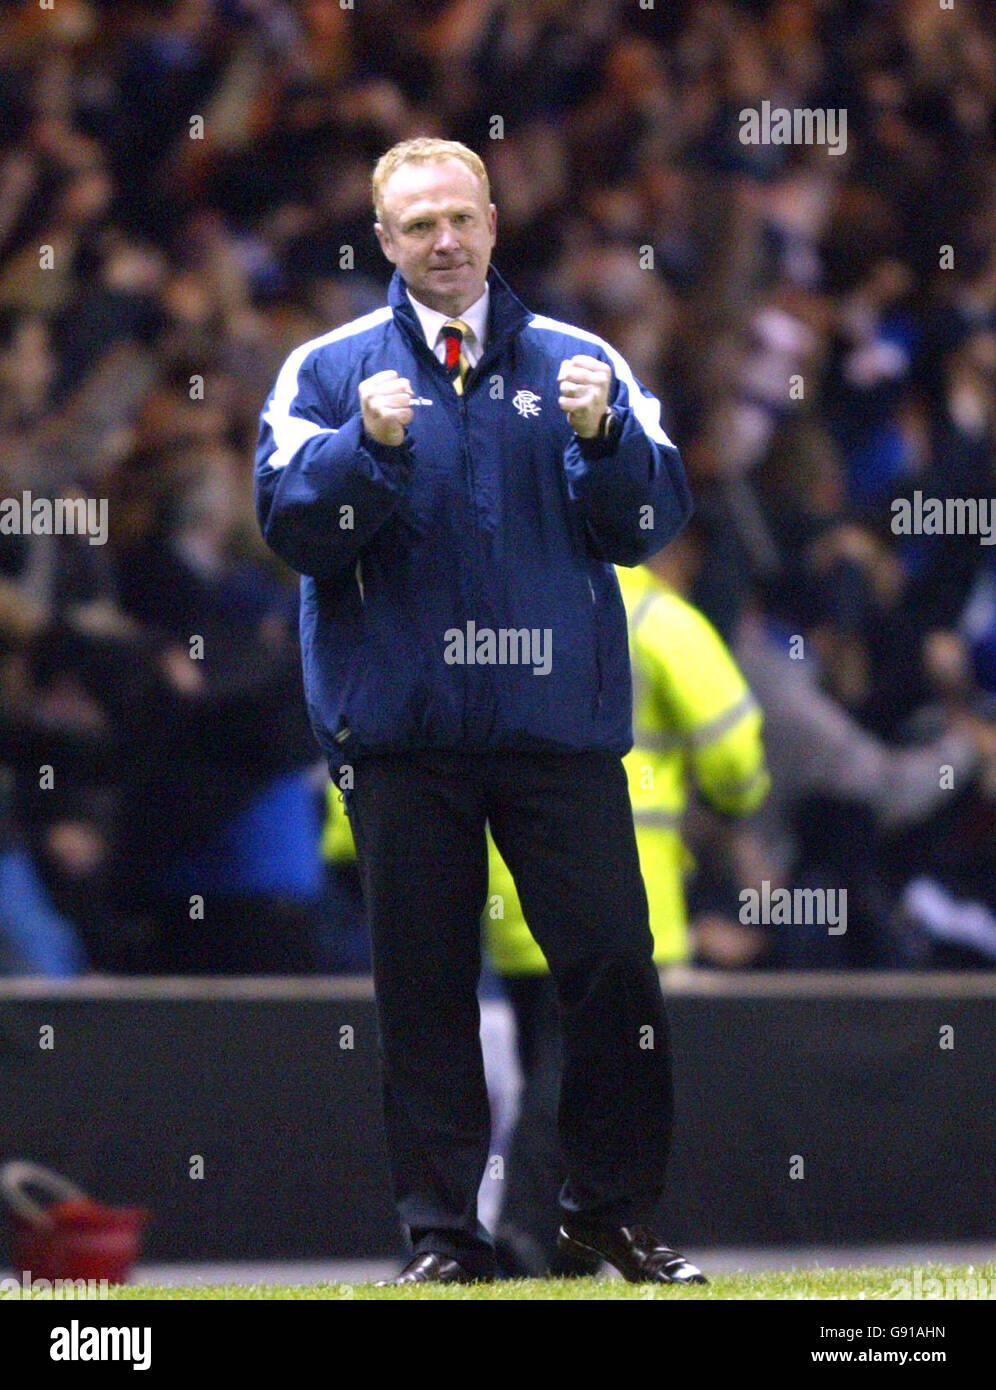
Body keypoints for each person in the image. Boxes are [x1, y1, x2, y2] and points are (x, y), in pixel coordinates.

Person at [255, 137, 701, 1285]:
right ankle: (444, 1239)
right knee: (424, 993)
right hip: (403, 740)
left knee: (612, 970)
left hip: (556, 732)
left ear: (495, 223)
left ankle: (611, 1215)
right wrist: (371, 449)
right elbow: (290, 527)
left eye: (460, 218)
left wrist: (604, 439)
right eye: (417, 226)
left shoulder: (582, 360)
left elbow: (649, 523)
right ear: (385, 241)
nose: (443, 241)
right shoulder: (325, 372)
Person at [486, 554, 770, 1275]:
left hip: (508, 892)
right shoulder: (658, 620)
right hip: (623, 894)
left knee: (547, 1059)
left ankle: (557, 1246)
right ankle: (534, 1229)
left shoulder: (512, 610)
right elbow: (737, 754)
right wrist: (731, 808)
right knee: (590, 1071)